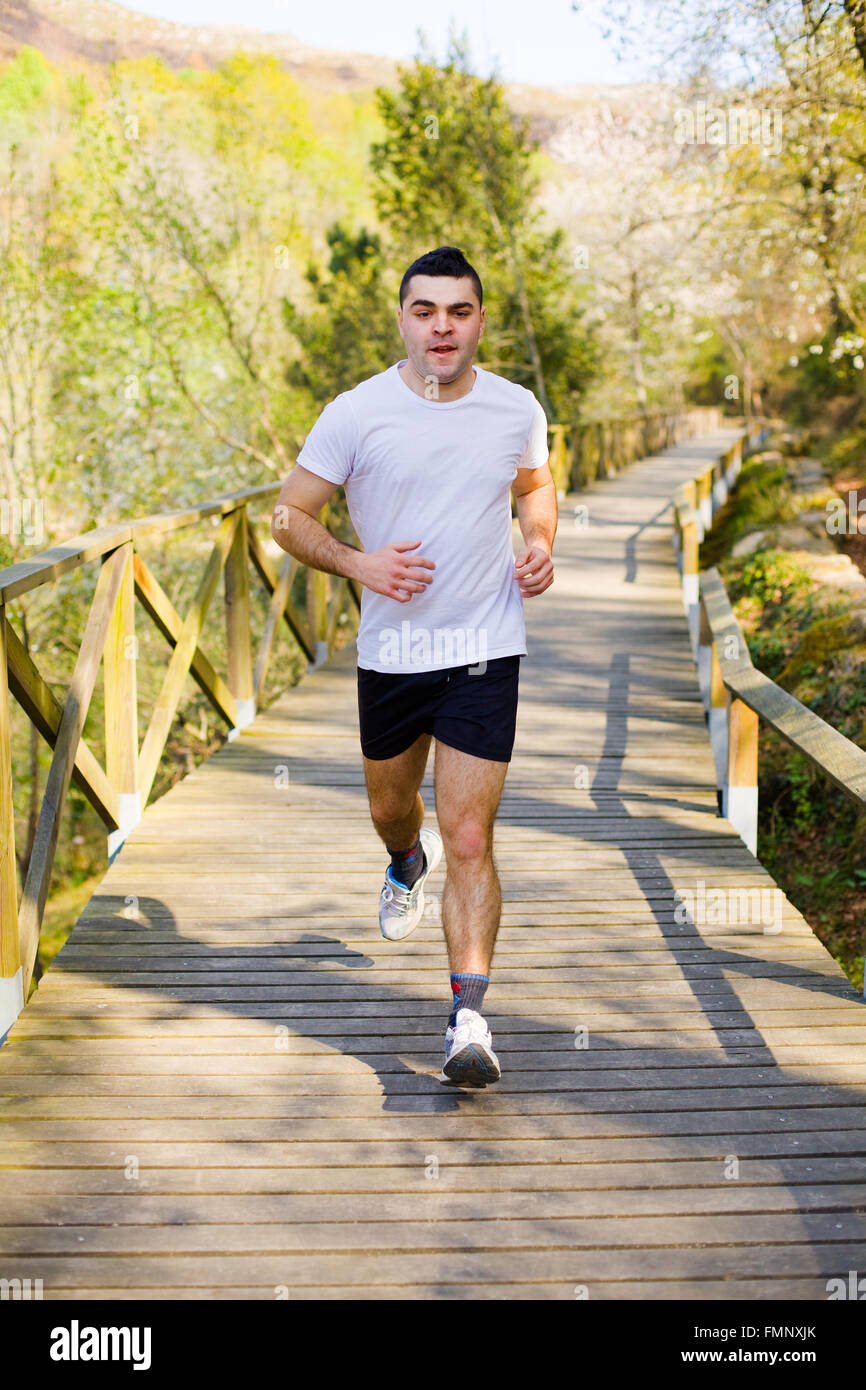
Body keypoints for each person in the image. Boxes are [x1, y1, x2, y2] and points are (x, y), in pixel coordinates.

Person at [271, 245, 557, 1087]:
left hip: (483, 650)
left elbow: (536, 484)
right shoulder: (356, 414)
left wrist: (539, 541)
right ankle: (404, 864)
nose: (442, 327)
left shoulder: (514, 408)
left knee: (470, 832)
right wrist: (361, 565)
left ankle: (468, 1018)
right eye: (425, 311)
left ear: (478, 320)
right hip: (392, 655)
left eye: (458, 312)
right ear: (402, 318)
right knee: (394, 812)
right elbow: (288, 517)